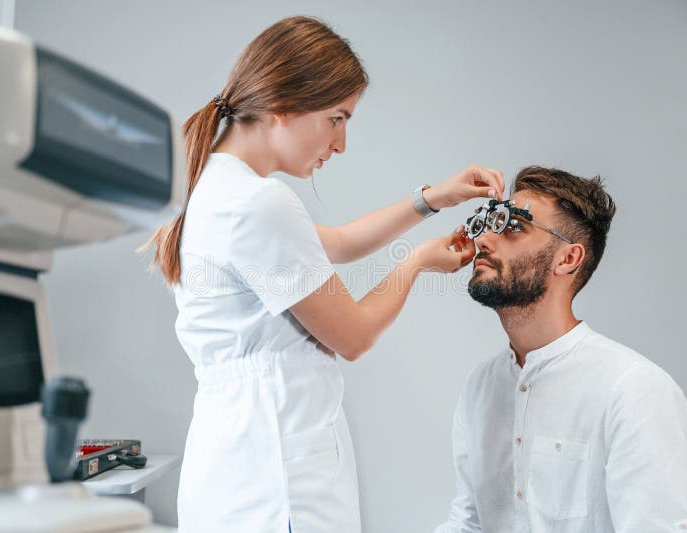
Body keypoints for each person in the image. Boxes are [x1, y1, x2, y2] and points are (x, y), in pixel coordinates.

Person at [144, 16, 504, 533]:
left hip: (236, 478)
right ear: (284, 106)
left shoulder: (214, 188)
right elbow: (353, 337)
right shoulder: (258, 203)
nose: (341, 144)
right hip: (277, 488)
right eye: (337, 118)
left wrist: (431, 199)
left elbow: (334, 243)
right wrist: (417, 263)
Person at [435, 166, 687, 532]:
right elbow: (469, 521)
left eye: (512, 227)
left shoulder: (633, 390)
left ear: (568, 259)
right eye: (490, 223)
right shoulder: (481, 385)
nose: (484, 240)